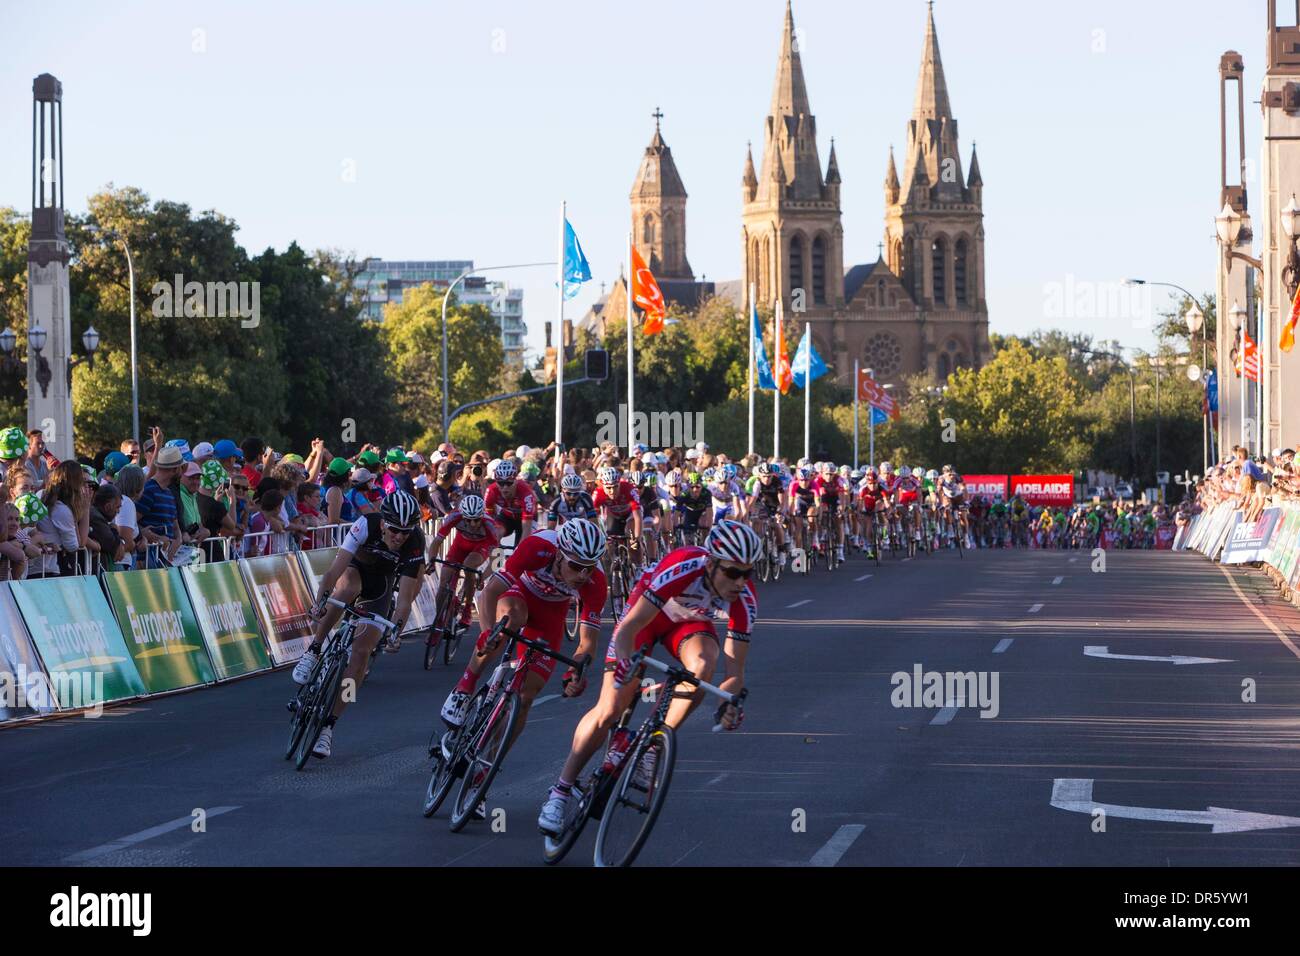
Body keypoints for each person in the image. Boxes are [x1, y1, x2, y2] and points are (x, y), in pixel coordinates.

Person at [537, 519, 756, 835]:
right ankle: (560, 791)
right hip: (646, 617)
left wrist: (729, 702)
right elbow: (629, 628)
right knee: (610, 708)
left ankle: (650, 747)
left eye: (747, 573)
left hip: (688, 624)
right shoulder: (683, 566)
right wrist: (625, 663)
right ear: (710, 563)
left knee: (704, 665)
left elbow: (734, 674)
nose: (740, 583)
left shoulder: (745, 598)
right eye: (733, 572)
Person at [293, 492, 426, 759]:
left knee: (361, 656)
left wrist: (395, 632)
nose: (399, 537)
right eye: (394, 530)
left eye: (404, 531)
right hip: (356, 569)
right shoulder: (365, 523)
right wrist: (320, 602)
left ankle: (330, 726)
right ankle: (314, 649)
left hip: (381, 586)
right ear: (383, 524)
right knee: (347, 586)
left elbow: (405, 601)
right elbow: (333, 572)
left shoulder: (414, 544)